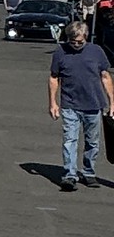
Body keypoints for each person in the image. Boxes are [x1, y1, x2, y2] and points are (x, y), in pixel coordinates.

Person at [48, 18, 114, 191]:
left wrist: (112, 102)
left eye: (80, 42)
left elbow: (105, 77)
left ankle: (89, 172)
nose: (76, 45)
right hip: (70, 104)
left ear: (85, 36)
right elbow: (54, 78)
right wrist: (53, 102)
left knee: (92, 141)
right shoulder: (60, 52)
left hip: (93, 105)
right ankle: (70, 175)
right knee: (70, 139)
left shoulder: (96, 51)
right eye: (73, 42)